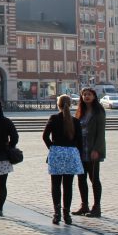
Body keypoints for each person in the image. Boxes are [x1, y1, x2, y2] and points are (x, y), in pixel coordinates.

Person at [42, 95, 84, 225]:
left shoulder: (53, 118)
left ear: (58, 105)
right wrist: (76, 153)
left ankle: (57, 213)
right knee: (68, 185)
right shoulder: (75, 121)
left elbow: (45, 136)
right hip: (71, 153)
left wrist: (52, 147)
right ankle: (67, 214)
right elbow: (80, 141)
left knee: (55, 184)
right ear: (70, 105)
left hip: (57, 152)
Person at [72, 88, 106, 218]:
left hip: (92, 150)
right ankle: (84, 205)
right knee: (81, 178)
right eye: (84, 94)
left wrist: (97, 149)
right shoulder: (80, 111)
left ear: (94, 96)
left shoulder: (98, 111)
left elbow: (101, 133)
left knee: (94, 179)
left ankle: (96, 207)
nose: (86, 96)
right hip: (81, 150)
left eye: (89, 95)